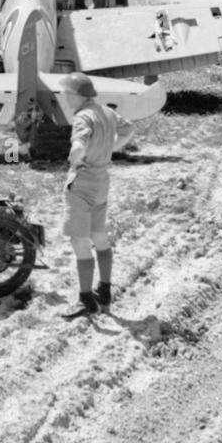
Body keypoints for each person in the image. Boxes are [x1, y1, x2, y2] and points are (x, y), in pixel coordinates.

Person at [59, 72, 134, 318]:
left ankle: (85, 299)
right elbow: (129, 129)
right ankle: (104, 289)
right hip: (102, 180)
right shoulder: (106, 112)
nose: (64, 96)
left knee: (80, 242)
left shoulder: (82, 116)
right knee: (99, 236)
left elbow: (79, 144)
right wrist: (112, 147)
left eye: (66, 93)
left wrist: (75, 157)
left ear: (76, 95)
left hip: (82, 183)